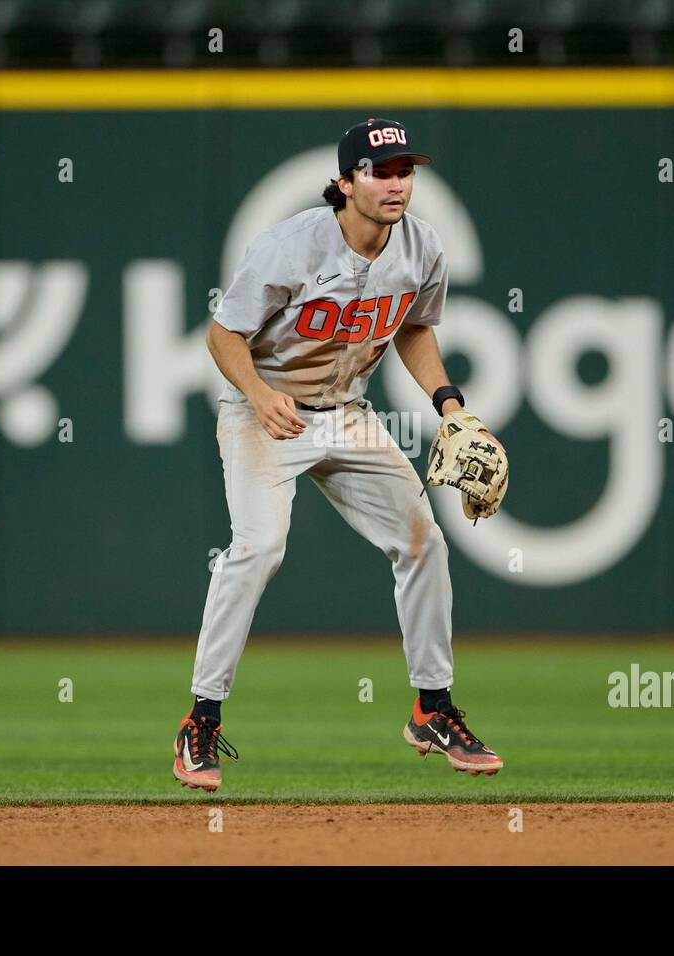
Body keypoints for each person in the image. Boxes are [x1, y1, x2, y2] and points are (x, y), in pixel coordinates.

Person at [173, 118, 504, 791]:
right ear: (346, 181)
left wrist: (450, 405)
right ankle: (201, 718)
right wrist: (260, 394)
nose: (397, 183)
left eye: (405, 170)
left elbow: (414, 328)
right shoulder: (291, 246)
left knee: (423, 542)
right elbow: (222, 335)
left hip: (347, 414)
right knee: (259, 548)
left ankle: (432, 709)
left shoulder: (421, 248)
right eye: (382, 172)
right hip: (265, 413)